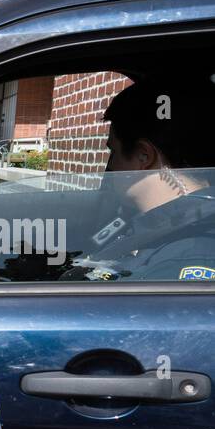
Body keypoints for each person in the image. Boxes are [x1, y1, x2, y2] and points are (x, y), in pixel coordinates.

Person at [62, 78, 215, 282]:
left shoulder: (184, 261)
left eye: (113, 152)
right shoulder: (159, 226)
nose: (111, 168)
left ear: (144, 156)